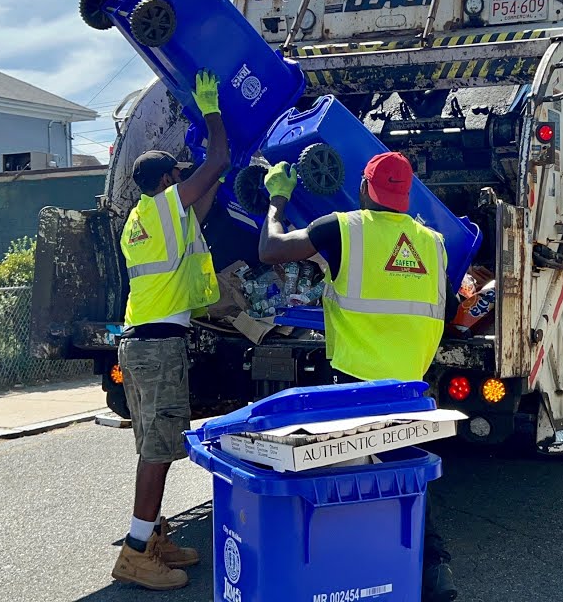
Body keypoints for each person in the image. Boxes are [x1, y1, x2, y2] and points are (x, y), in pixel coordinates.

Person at [257, 151, 459, 602]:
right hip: (408, 384)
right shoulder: (433, 243)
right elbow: (446, 308)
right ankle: (432, 569)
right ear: (406, 195)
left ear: (366, 188)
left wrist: (277, 199)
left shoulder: (343, 228)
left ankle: (351, 572)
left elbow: (270, 249)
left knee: (349, 478)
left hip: (355, 385)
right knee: (404, 474)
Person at [111, 72, 228, 591]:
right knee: (158, 453)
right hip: (157, 347)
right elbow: (216, 162)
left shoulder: (141, 219)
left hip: (140, 341)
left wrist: (214, 172)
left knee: (153, 447)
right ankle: (136, 553)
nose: (184, 180)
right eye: (179, 176)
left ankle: (154, 535)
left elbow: (203, 200)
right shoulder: (163, 207)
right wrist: (212, 114)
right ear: (166, 183)